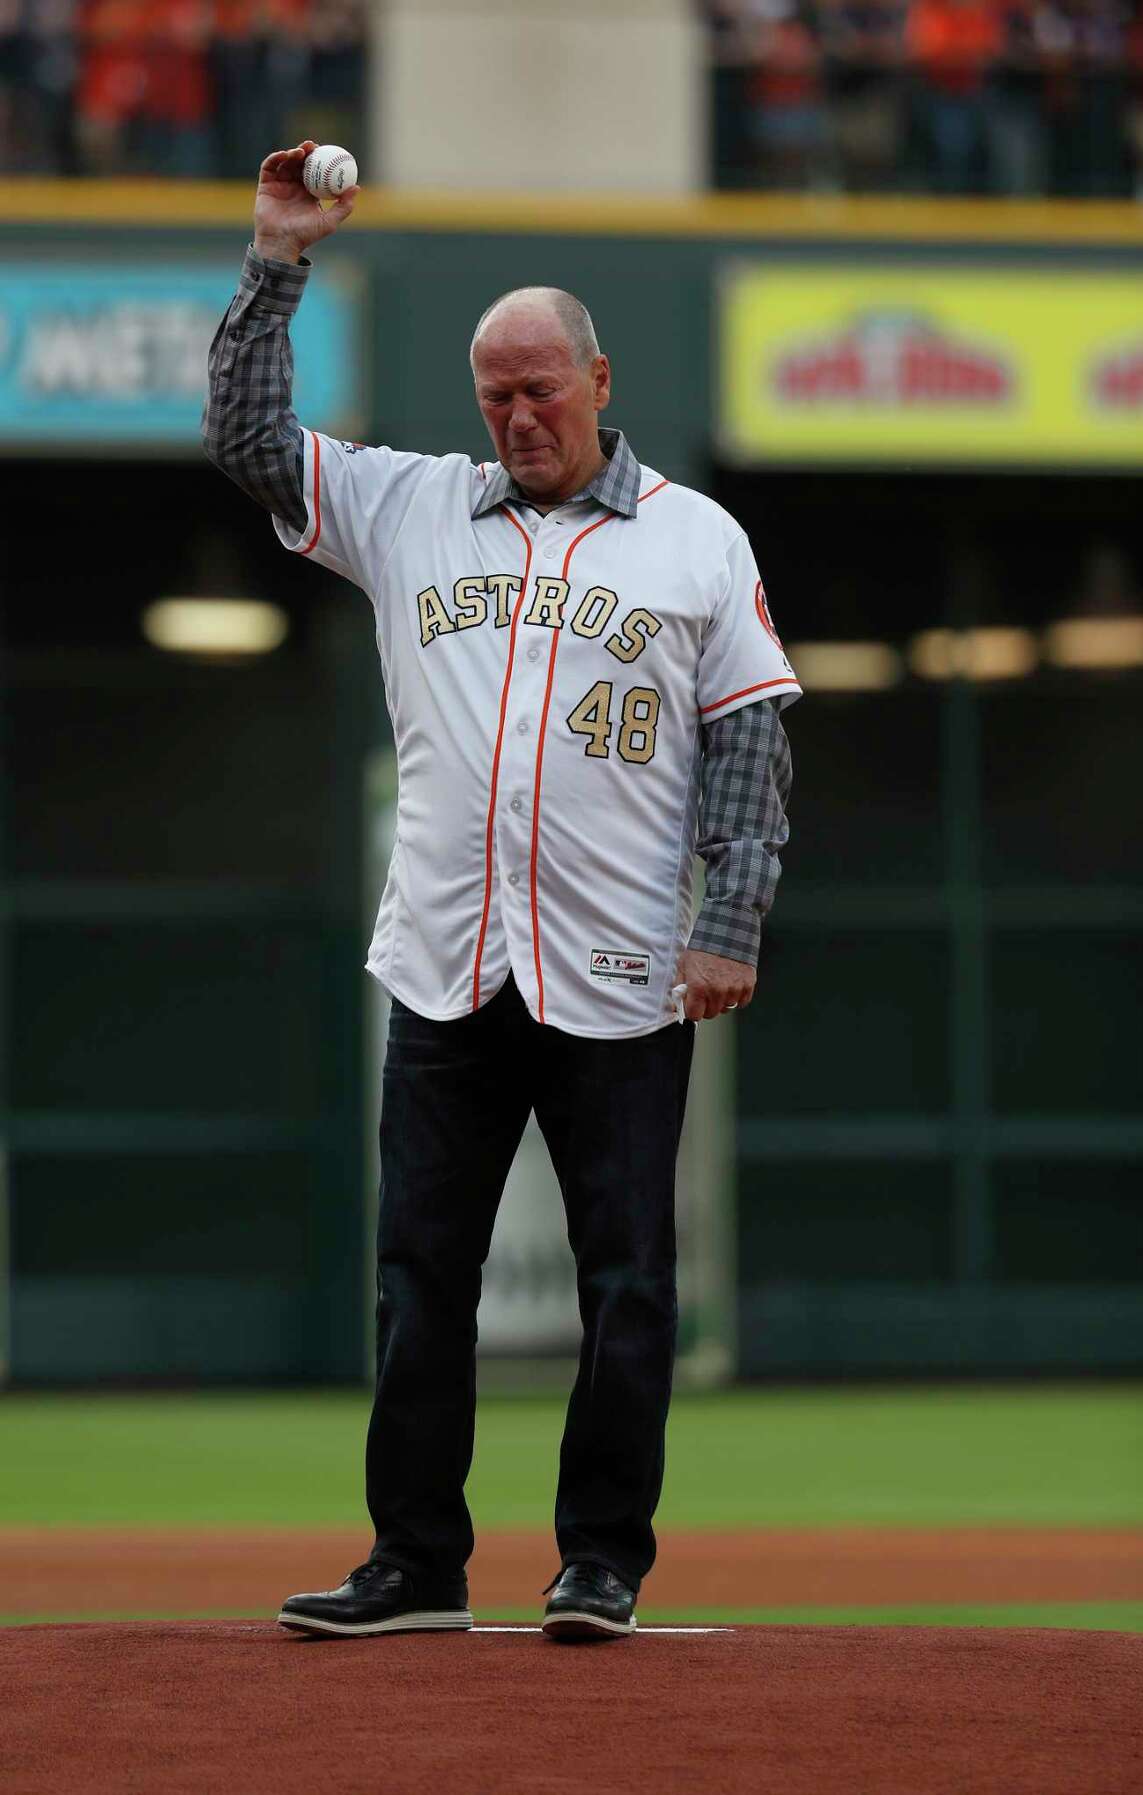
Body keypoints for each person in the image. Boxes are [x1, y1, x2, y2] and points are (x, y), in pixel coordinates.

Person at [202, 141, 799, 1644]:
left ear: (599, 379)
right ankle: (414, 1562)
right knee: (419, 1277)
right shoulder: (409, 506)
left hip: (620, 972)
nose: (520, 417)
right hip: (448, 965)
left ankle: (601, 1559)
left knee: (628, 1282)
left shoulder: (697, 537)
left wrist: (729, 922)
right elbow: (250, 440)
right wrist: (277, 261)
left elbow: (748, 745)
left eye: (542, 390)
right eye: (495, 397)